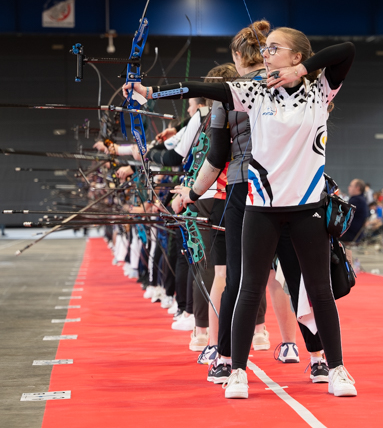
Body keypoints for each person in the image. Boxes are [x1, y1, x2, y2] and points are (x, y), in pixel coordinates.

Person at [123, 26, 357, 399]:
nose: (266, 54)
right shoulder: (253, 90)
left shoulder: (319, 90)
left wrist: (304, 71)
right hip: (260, 209)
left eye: (274, 49)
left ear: (296, 56)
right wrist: (152, 92)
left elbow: (346, 47)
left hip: (307, 209)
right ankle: (238, 371)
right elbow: (201, 89)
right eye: (264, 49)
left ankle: (337, 368)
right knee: (247, 288)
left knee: (318, 291)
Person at [342, 178, 369, 243]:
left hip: (350, 234)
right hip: (354, 233)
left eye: (351, 186)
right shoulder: (361, 199)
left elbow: (343, 213)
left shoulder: (356, 201)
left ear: (357, 188)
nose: (348, 187)